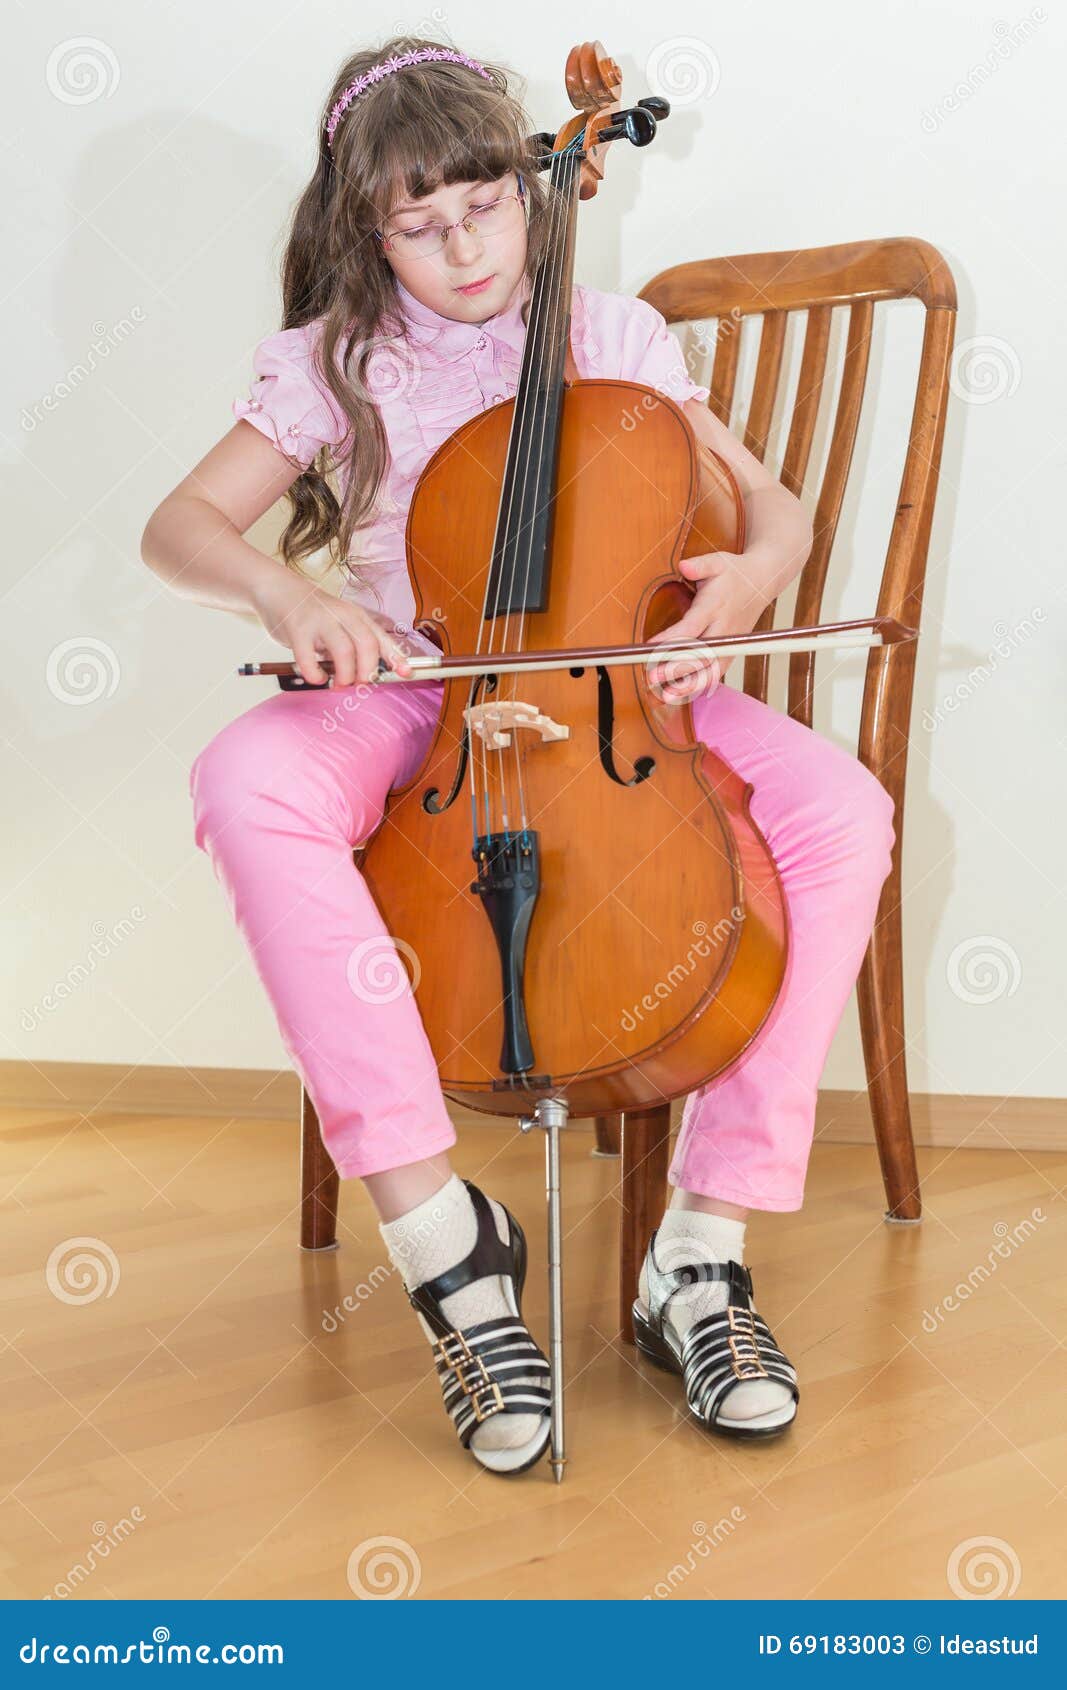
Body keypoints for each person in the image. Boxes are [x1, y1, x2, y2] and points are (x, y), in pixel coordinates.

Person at [141, 37, 896, 1477]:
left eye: (486, 207)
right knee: (244, 780)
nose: (465, 249)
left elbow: (777, 511)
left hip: (621, 691)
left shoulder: (615, 337)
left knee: (843, 813)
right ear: (365, 235)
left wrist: (746, 582)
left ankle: (704, 1249)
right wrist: (293, 601)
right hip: (418, 693)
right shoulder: (335, 362)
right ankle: (444, 1239)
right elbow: (178, 528)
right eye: (418, 227)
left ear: (536, 193)